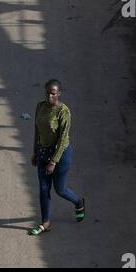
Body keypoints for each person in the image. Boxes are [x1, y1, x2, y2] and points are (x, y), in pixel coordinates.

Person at [29, 79, 85, 236]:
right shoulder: (39, 107)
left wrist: (54, 161)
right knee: (43, 188)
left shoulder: (63, 112)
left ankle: (78, 202)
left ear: (59, 93)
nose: (49, 96)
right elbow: (37, 131)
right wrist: (34, 152)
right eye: (47, 92)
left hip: (61, 154)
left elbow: (62, 139)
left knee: (60, 189)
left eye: (53, 93)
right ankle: (45, 223)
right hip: (42, 152)